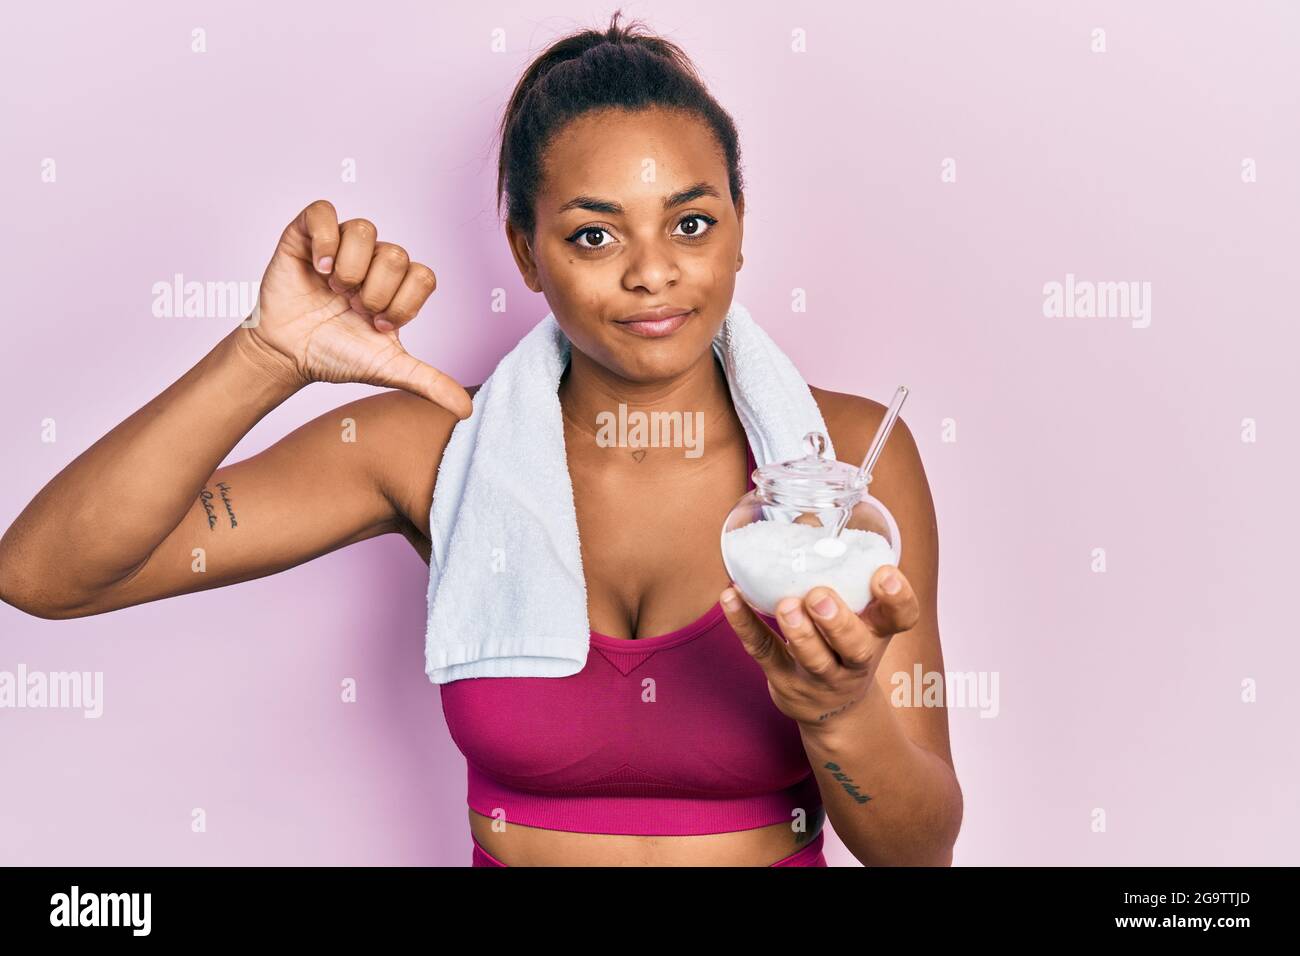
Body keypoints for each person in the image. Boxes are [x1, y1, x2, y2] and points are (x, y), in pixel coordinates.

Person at [0, 10, 961, 866]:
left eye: (692, 223)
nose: (652, 274)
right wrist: (265, 355)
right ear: (523, 252)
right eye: (594, 235)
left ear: (740, 230)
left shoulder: (842, 461)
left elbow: (918, 854)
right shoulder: (433, 450)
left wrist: (838, 710)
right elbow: (44, 574)